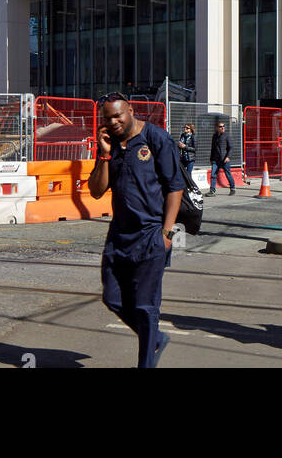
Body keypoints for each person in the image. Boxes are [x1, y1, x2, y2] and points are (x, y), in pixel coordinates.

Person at [88, 92, 184, 369]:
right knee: (112, 297)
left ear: (130, 110)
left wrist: (167, 234)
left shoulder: (156, 138)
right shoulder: (110, 142)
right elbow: (96, 191)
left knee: (145, 307)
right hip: (119, 235)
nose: (114, 122)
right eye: (108, 118)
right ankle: (155, 338)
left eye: (118, 115)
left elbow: (174, 187)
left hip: (151, 234)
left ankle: (146, 362)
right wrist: (105, 155)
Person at [209, 121, 235, 195]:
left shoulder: (227, 136)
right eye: (220, 126)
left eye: (223, 126)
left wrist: (228, 157)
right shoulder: (214, 136)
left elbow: (231, 148)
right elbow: (212, 148)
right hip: (215, 159)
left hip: (224, 160)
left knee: (228, 174)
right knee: (213, 175)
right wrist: (211, 158)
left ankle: (232, 188)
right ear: (217, 128)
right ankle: (212, 191)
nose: (222, 127)